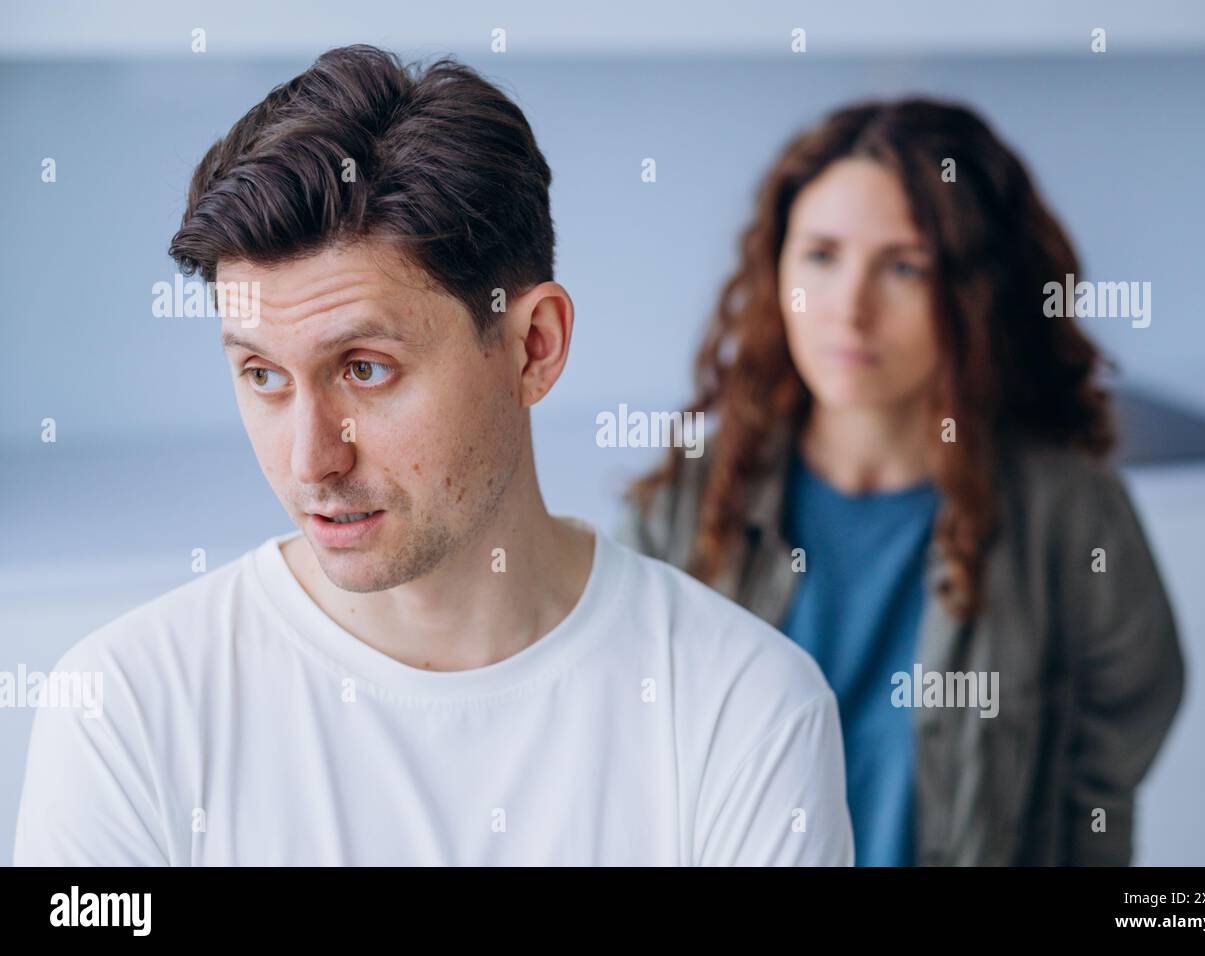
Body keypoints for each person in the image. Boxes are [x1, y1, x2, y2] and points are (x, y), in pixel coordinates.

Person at [13, 46, 853, 866]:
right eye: (262, 375)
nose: (312, 462)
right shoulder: (125, 709)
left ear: (534, 346)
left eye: (366, 369)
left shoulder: (743, 712)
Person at [618, 98, 1185, 866]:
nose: (850, 309)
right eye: (820, 255)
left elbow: (1115, 748)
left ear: (975, 295)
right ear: (774, 266)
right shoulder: (680, 508)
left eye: (905, 266)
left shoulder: (1068, 512)